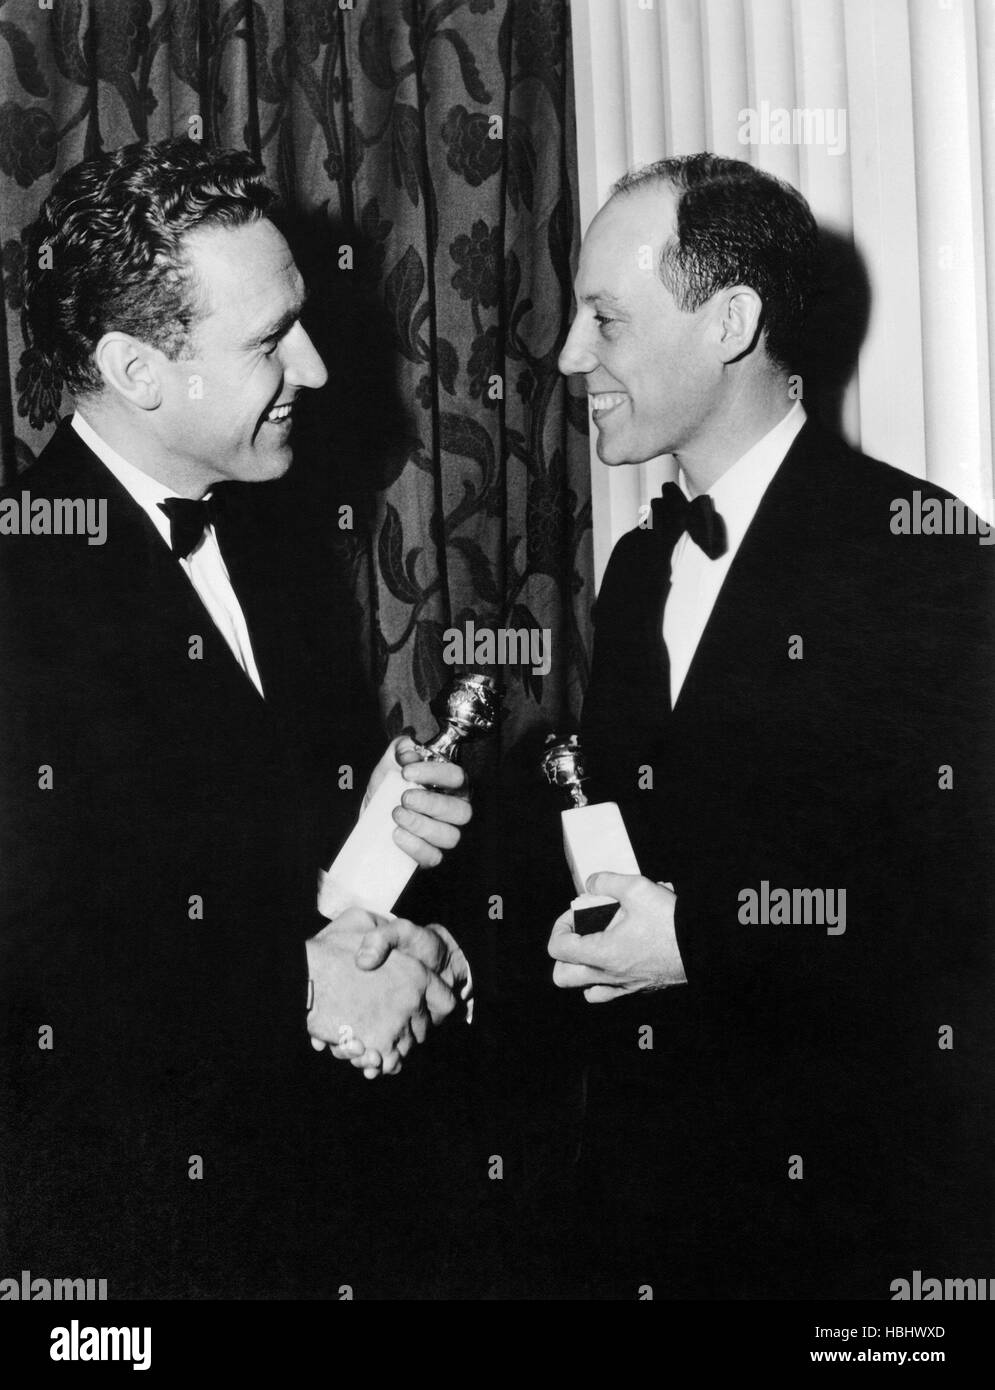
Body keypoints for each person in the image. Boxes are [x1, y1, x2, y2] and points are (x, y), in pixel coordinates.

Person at [0, 138, 473, 1299]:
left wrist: (379, 874)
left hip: (315, 1207)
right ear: (135, 369)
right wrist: (305, 986)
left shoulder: (268, 532)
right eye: (268, 342)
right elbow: (38, 963)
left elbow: (252, 868)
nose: (313, 369)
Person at [547, 154, 994, 1299]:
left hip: (840, 1227)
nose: (567, 357)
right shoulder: (638, 566)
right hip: (643, 1201)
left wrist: (703, 934)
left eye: (603, 318)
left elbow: (954, 892)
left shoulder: (919, 550)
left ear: (729, 320)